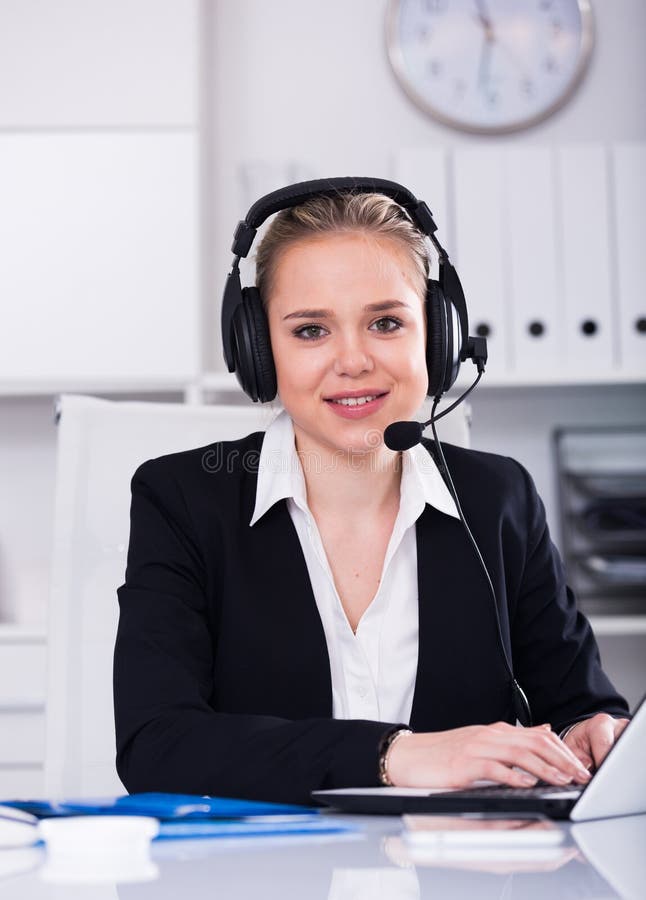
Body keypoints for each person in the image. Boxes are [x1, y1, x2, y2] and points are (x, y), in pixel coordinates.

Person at [114, 179, 629, 805]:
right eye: (310, 331)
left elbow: (578, 704)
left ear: (437, 339)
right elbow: (157, 745)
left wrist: (592, 735)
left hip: (464, 874)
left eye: (386, 322)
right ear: (256, 350)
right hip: (258, 875)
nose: (353, 360)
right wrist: (392, 754)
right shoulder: (184, 500)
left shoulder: (497, 500)